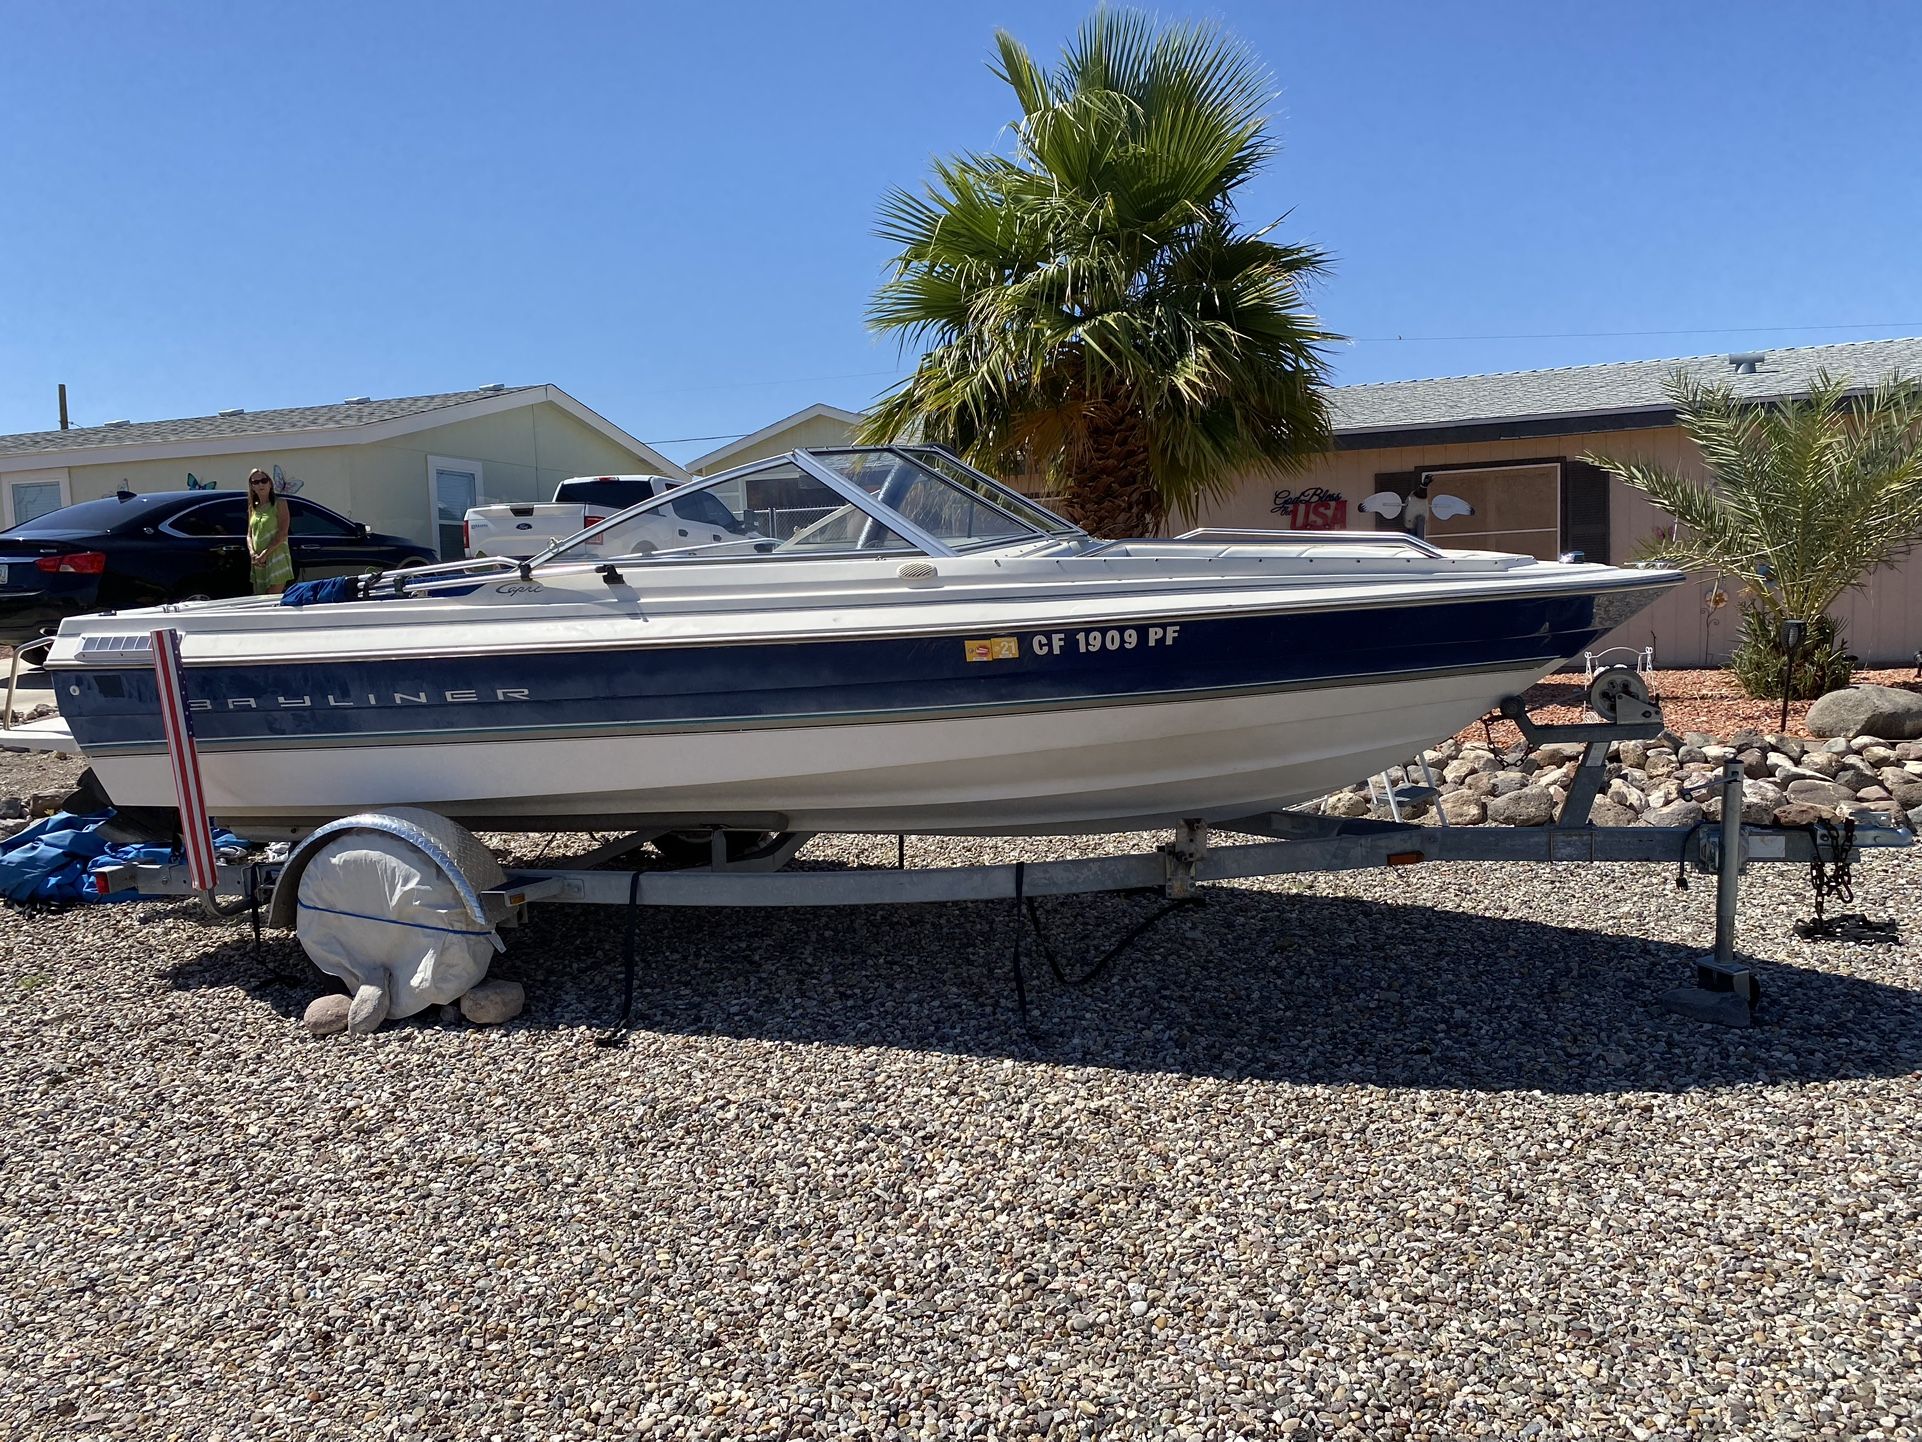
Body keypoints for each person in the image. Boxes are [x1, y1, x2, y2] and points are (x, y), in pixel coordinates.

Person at [246, 468, 293, 595]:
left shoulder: (280, 503)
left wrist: (264, 555)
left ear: (270, 484)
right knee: (260, 598)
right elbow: (249, 535)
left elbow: (283, 533)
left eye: (263, 480)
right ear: (252, 486)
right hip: (258, 561)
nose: (260, 484)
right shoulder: (253, 508)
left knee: (270, 597)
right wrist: (252, 553)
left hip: (275, 557)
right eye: (255, 482)